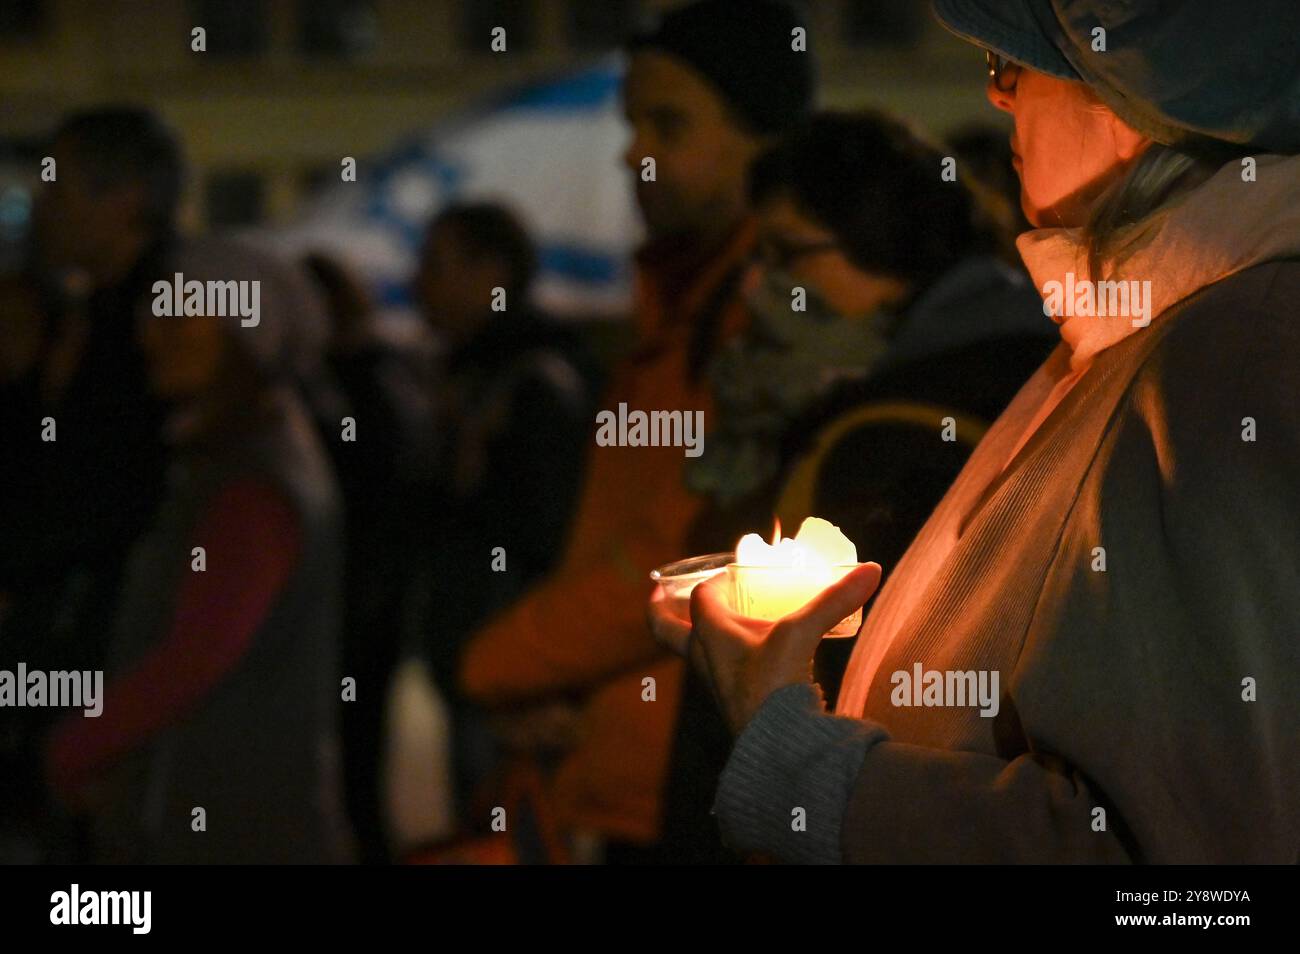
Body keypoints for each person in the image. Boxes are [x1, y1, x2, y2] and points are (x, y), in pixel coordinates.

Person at [655, 0, 1300, 863]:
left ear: (1130, 114)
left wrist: (795, 760)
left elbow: (1192, 877)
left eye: (1016, 68)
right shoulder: (1135, 333)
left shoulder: (1223, 355)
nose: (997, 99)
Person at [458, 0, 813, 862]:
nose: (632, 152)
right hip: (627, 771)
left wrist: (501, 665)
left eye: (669, 123)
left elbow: (676, 557)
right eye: (631, 123)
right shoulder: (677, 304)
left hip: (689, 791)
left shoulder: (764, 319)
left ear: (762, 140)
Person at [655, 109, 1055, 862]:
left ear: (885, 249)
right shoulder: (1026, 372)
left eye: (787, 253)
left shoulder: (888, 437)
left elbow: (829, 696)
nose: (760, 286)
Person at [42, 237, 356, 864]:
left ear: (245, 336)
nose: (151, 337)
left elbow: (197, 655)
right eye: (151, 317)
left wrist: (74, 750)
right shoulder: (231, 455)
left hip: (232, 831)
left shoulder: (252, 480)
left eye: (180, 318)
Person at [0, 106, 181, 862]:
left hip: (109, 673)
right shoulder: (83, 317)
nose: (42, 209)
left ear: (126, 199)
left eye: (59, 188)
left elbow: (112, 502)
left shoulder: (170, 325)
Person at [413, 202, 594, 819]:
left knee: (507, 820)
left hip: (510, 665)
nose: (418, 285)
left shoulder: (535, 380)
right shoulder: (475, 373)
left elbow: (546, 534)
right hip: (482, 653)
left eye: (436, 266)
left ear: (493, 273)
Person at [303, 251, 436, 864]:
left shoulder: (353, 386)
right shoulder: (390, 376)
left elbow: (369, 494)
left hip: (359, 602)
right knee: (355, 767)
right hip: (374, 598)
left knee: (350, 767)